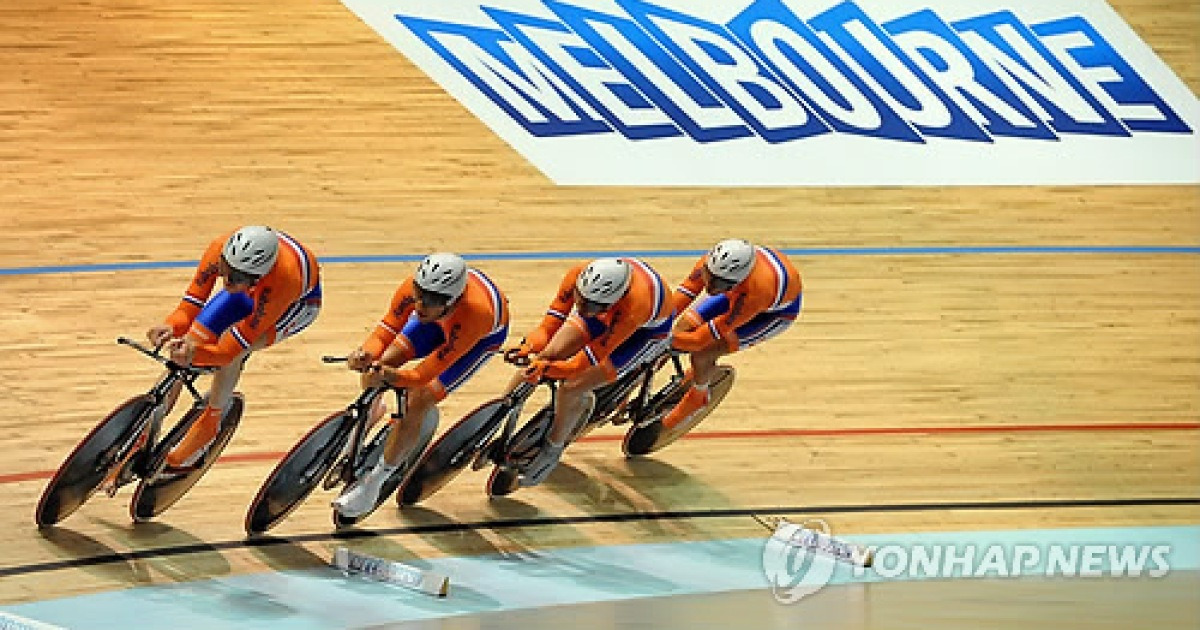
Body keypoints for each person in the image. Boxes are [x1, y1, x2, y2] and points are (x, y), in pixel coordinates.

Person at [332, 253, 510, 518]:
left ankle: (376, 481)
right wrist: (367, 354)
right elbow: (385, 330)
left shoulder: (476, 314)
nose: (421, 305)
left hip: (476, 339)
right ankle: (370, 415)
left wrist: (395, 377)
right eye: (419, 294)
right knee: (377, 365)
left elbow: (424, 375)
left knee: (420, 398)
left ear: (454, 300)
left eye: (433, 300)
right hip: (438, 324)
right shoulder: (416, 294)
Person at [148, 226, 322, 470]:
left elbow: (228, 350)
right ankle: (146, 421)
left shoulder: (284, 281)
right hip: (250, 291)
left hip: (294, 307)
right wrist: (170, 326)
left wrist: (194, 355)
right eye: (226, 272)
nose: (227, 281)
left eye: (237, 277)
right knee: (192, 338)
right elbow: (190, 305)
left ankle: (211, 422)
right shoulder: (219, 250)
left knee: (234, 350)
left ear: (258, 277)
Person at [509, 257, 673, 486]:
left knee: (572, 387)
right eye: (581, 301)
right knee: (545, 355)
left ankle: (552, 449)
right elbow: (549, 326)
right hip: (609, 314)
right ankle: (505, 409)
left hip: (644, 334)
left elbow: (581, 364)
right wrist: (529, 347)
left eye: (592, 306)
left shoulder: (636, 306)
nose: (584, 310)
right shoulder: (579, 277)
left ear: (616, 298)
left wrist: (549, 369)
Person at [655, 239, 802, 439]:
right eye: (710, 278)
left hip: (773, 314)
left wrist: (665, 341)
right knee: (680, 326)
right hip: (738, 291)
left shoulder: (755, 293)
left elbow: (700, 340)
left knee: (703, 353)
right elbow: (675, 304)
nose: (711, 288)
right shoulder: (712, 266)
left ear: (738, 280)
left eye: (720, 284)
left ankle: (699, 396)